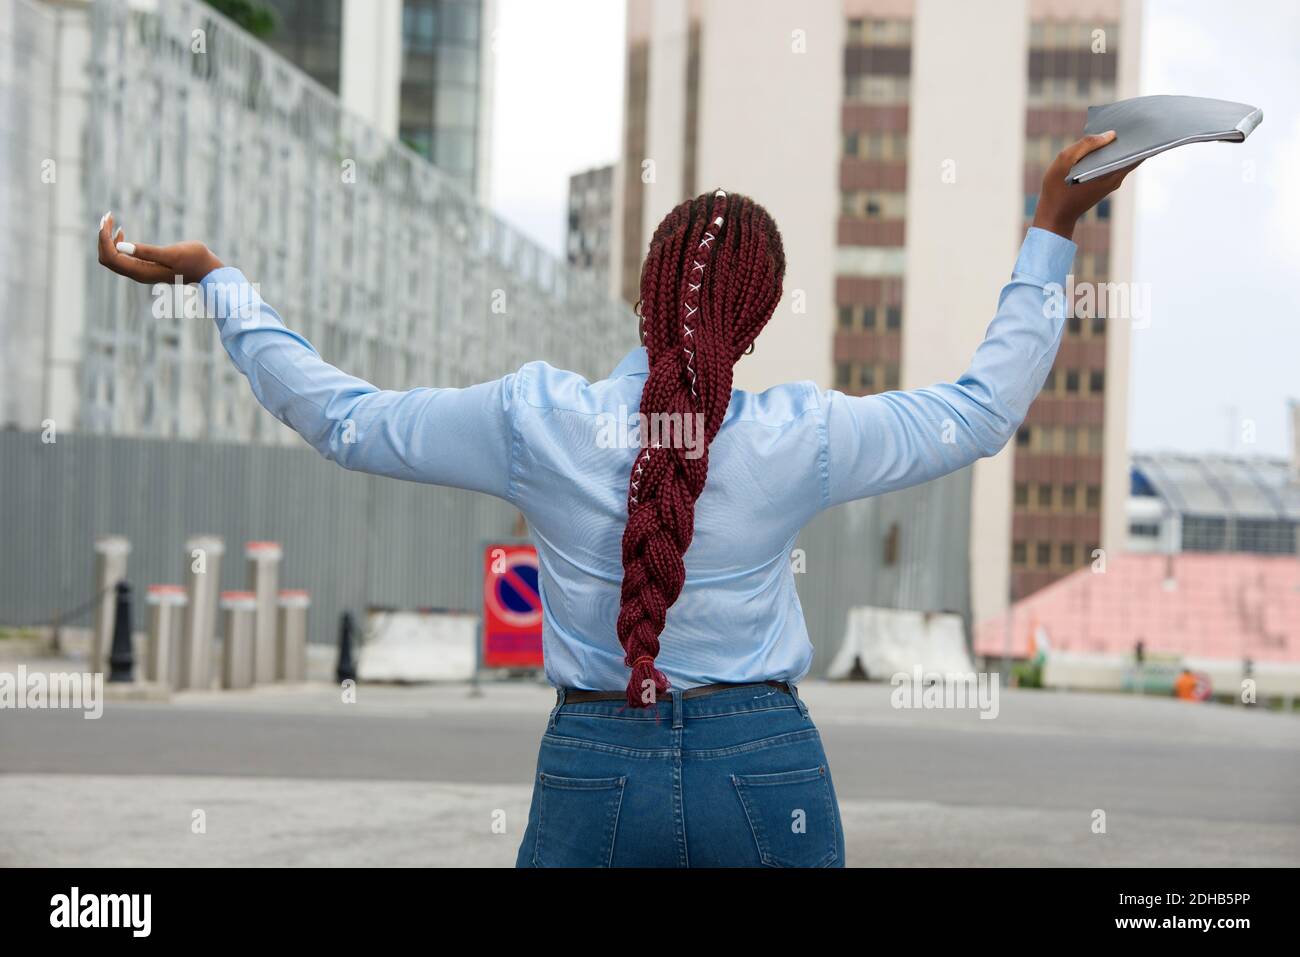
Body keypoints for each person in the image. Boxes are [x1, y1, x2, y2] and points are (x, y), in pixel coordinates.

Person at [98, 132, 1134, 867]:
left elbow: (345, 420)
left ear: (644, 293)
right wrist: (1050, 226)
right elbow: (976, 414)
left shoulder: (534, 416)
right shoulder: (801, 437)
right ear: (759, 316)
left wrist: (219, 284)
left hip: (592, 766)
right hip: (764, 771)